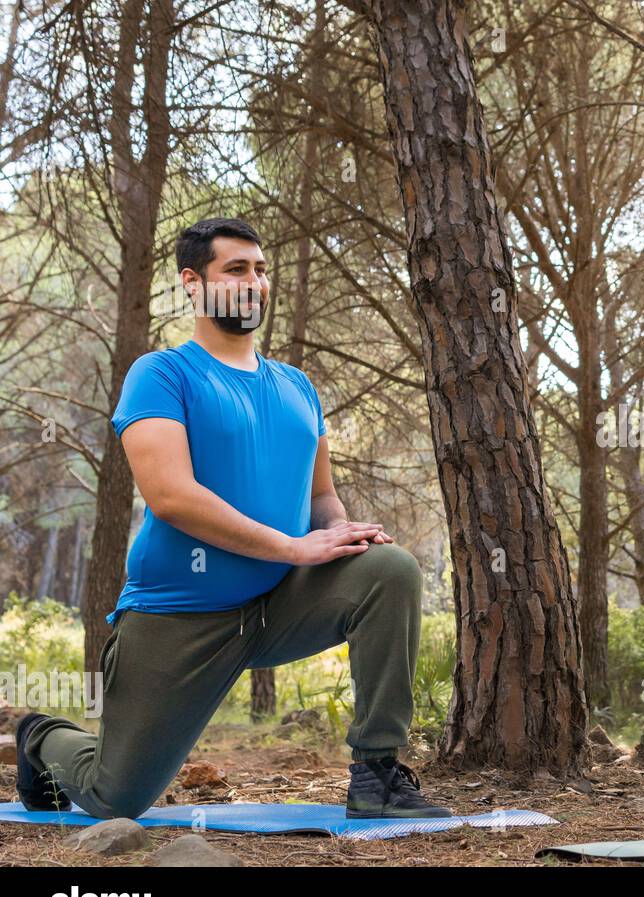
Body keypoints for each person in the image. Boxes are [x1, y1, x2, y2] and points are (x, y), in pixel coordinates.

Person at [16, 217, 452, 820]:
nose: (256, 282)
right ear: (193, 283)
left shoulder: (298, 386)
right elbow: (172, 497)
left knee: (389, 569)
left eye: (262, 269)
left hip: (277, 605)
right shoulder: (161, 375)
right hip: (179, 618)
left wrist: (335, 534)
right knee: (115, 798)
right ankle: (42, 736)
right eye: (237, 269)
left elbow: (321, 496)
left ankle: (377, 774)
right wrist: (294, 549)